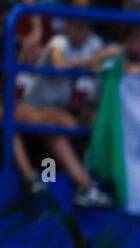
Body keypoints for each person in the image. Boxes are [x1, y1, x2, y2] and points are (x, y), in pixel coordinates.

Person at [10, 0, 116, 206]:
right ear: (67, 26)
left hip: (60, 110)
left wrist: (104, 58)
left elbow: (111, 55)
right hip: (31, 108)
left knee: (86, 123)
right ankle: (68, 183)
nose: (83, 30)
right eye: (77, 25)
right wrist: (93, 60)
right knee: (56, 124)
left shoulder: (93, 43)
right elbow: (59, 64)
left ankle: (89, 185)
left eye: (87, 25)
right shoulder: (59, 43)